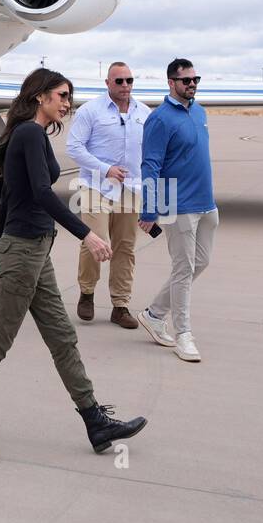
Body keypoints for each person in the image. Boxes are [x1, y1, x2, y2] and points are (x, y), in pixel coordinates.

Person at [0, 68, 148, 463]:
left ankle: (94, 420)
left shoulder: (32, 135)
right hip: (25, 251)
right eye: (61, 95)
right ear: (40, 96)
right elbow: (39, 193)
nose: (67, 103)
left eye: (69, 97)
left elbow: (11, 195)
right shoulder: (30, 134)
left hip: (35, 251)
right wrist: (86, 233)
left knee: (63, 337)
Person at [136, 58, 218, 363]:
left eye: (196, 79)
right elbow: (150, 166)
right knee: (183, 269)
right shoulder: (159, 119)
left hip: (206, 202)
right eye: (186, 80)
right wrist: (149, 209)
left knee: (201, 262)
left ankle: (154, 313)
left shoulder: (199, 111)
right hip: (176, 202)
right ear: (171, 83)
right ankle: (184, 335)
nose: (192, 84)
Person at [65, 61, 150, 328]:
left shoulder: (145, 113)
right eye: (119, 81)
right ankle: (87, 292)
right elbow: (74, 146)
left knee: (126, 246)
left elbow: (152, 152)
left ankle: (120, 305)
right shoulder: (91, 110)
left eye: (129, 80)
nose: (125, 86)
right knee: (96, 240)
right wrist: (105, 169)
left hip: (131, 189)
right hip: (97, 187)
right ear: (107, 83)